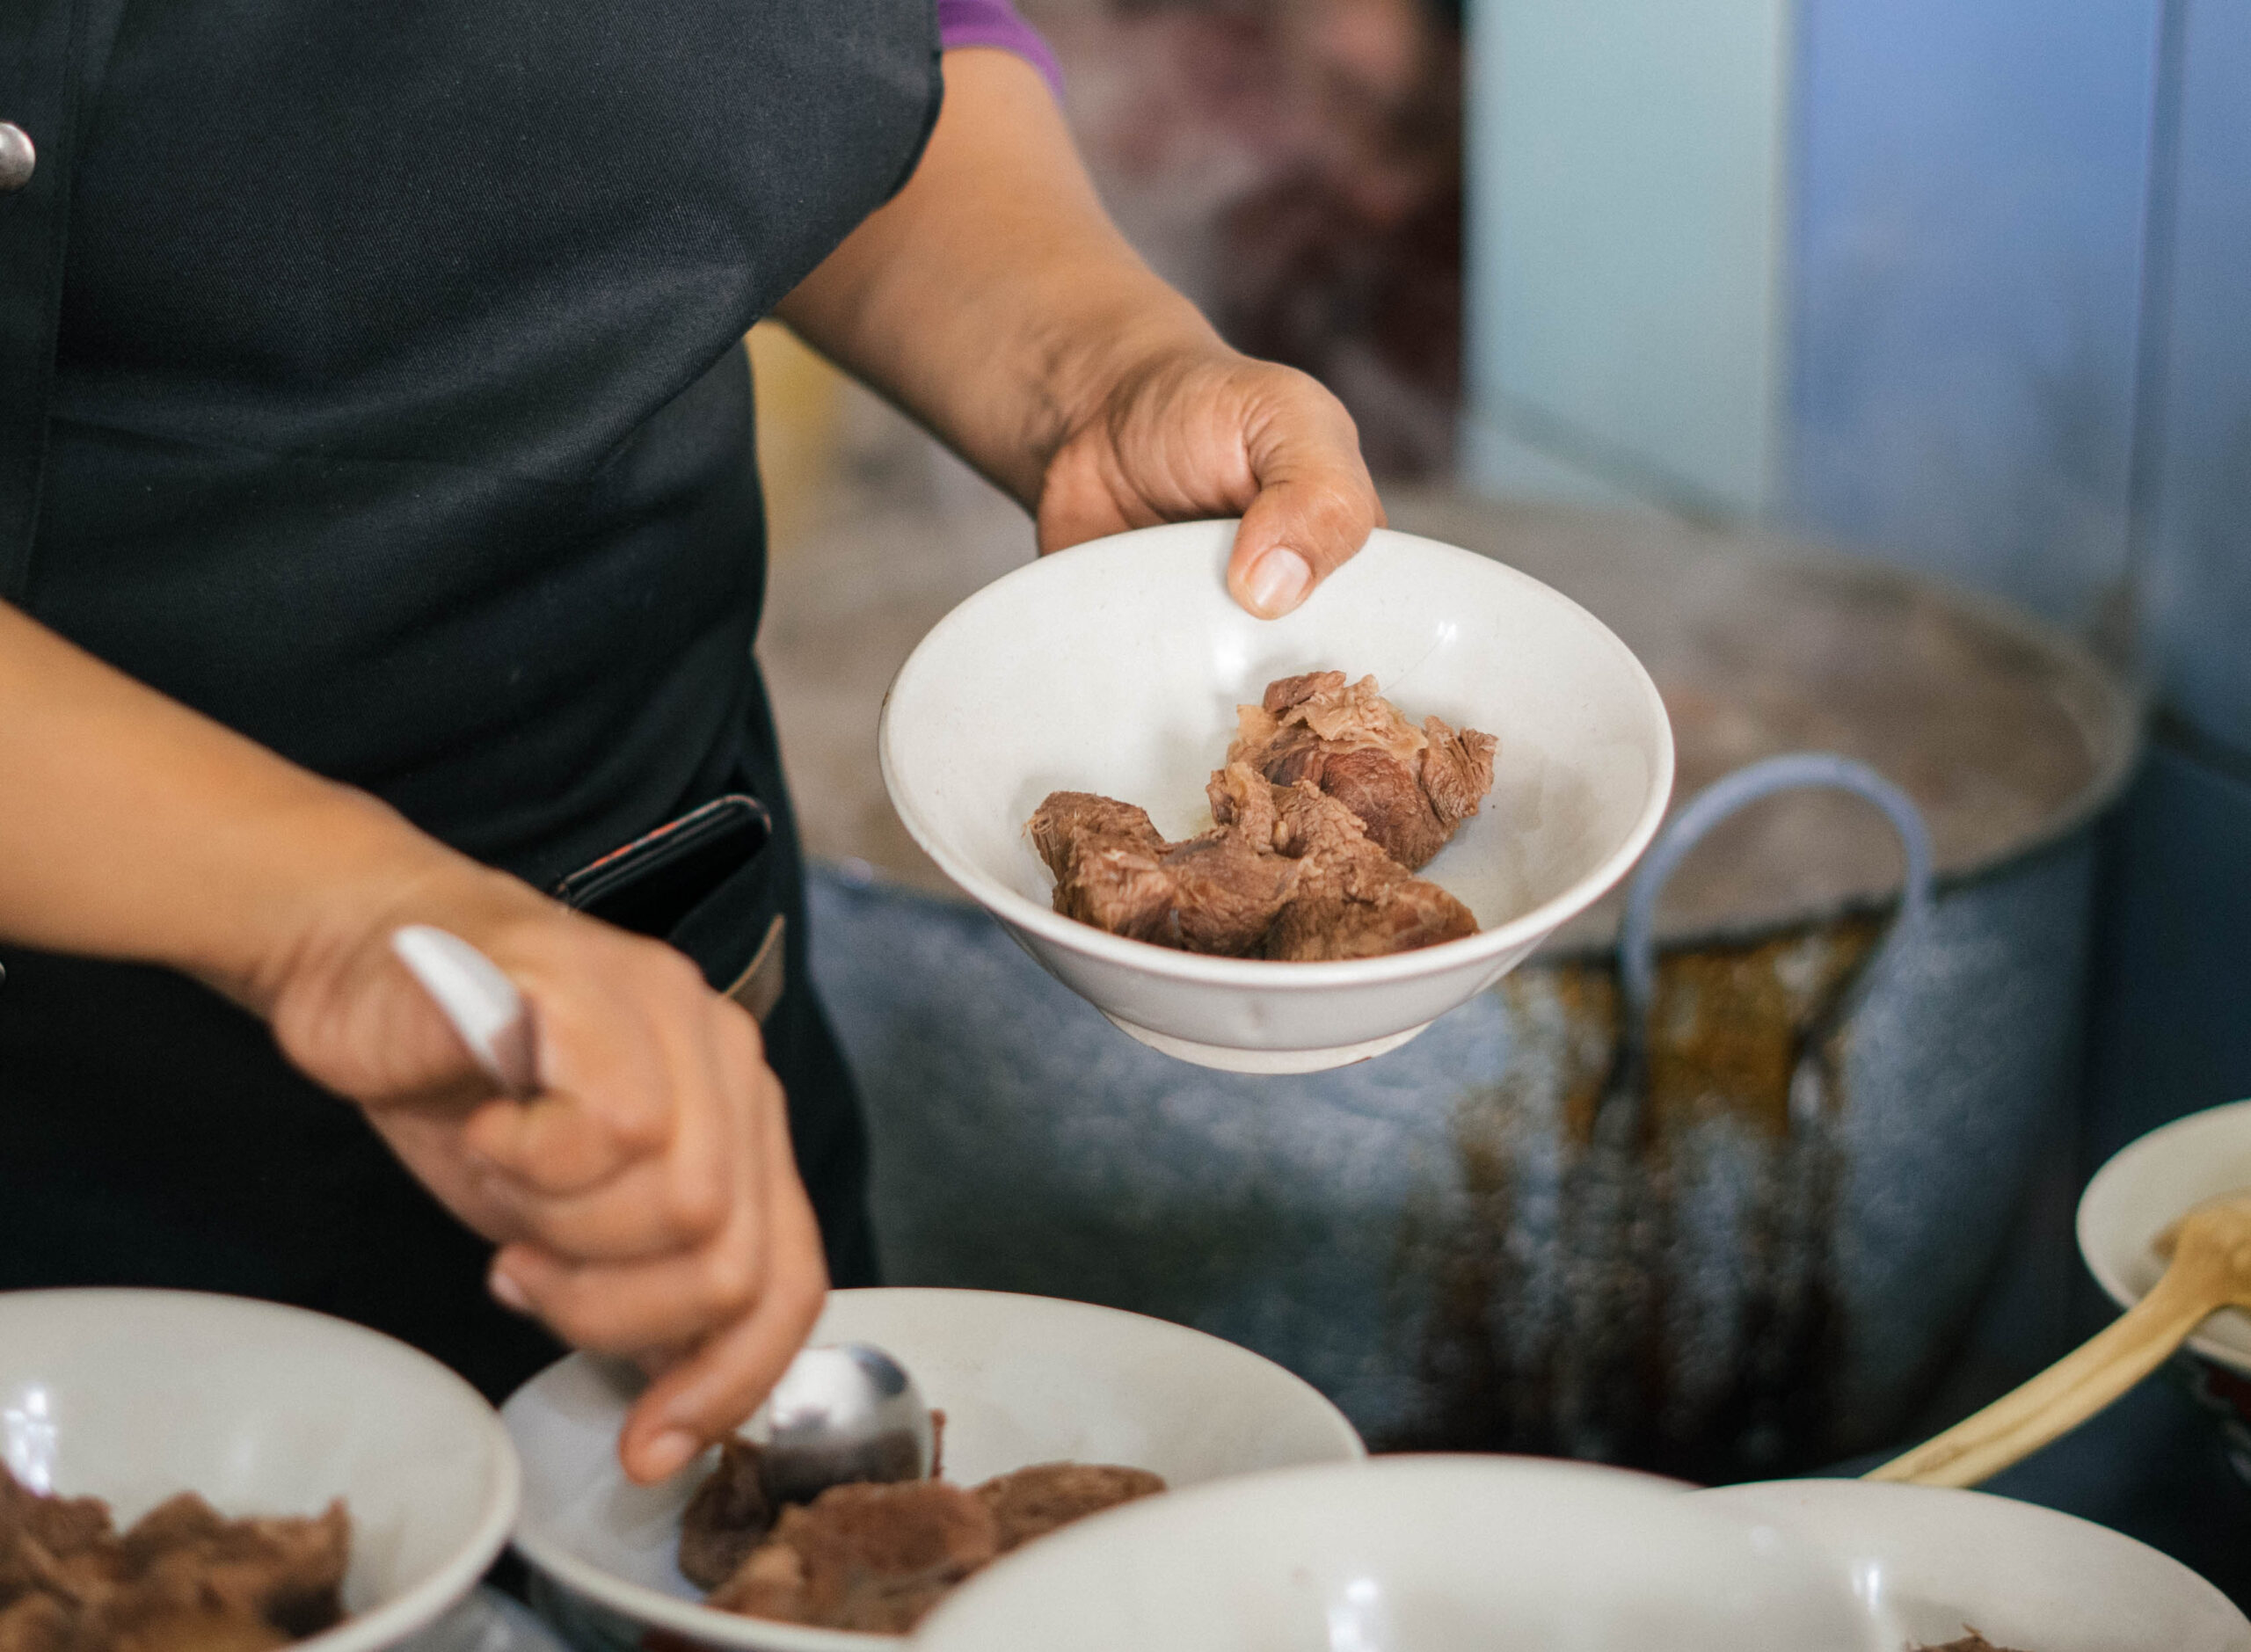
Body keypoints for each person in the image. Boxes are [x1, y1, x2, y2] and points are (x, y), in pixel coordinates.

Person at [0, 1, 1380, 1483]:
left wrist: (1087, 368)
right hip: (71, 1118)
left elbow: (805, 68)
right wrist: (344, 920)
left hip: (655, 956)